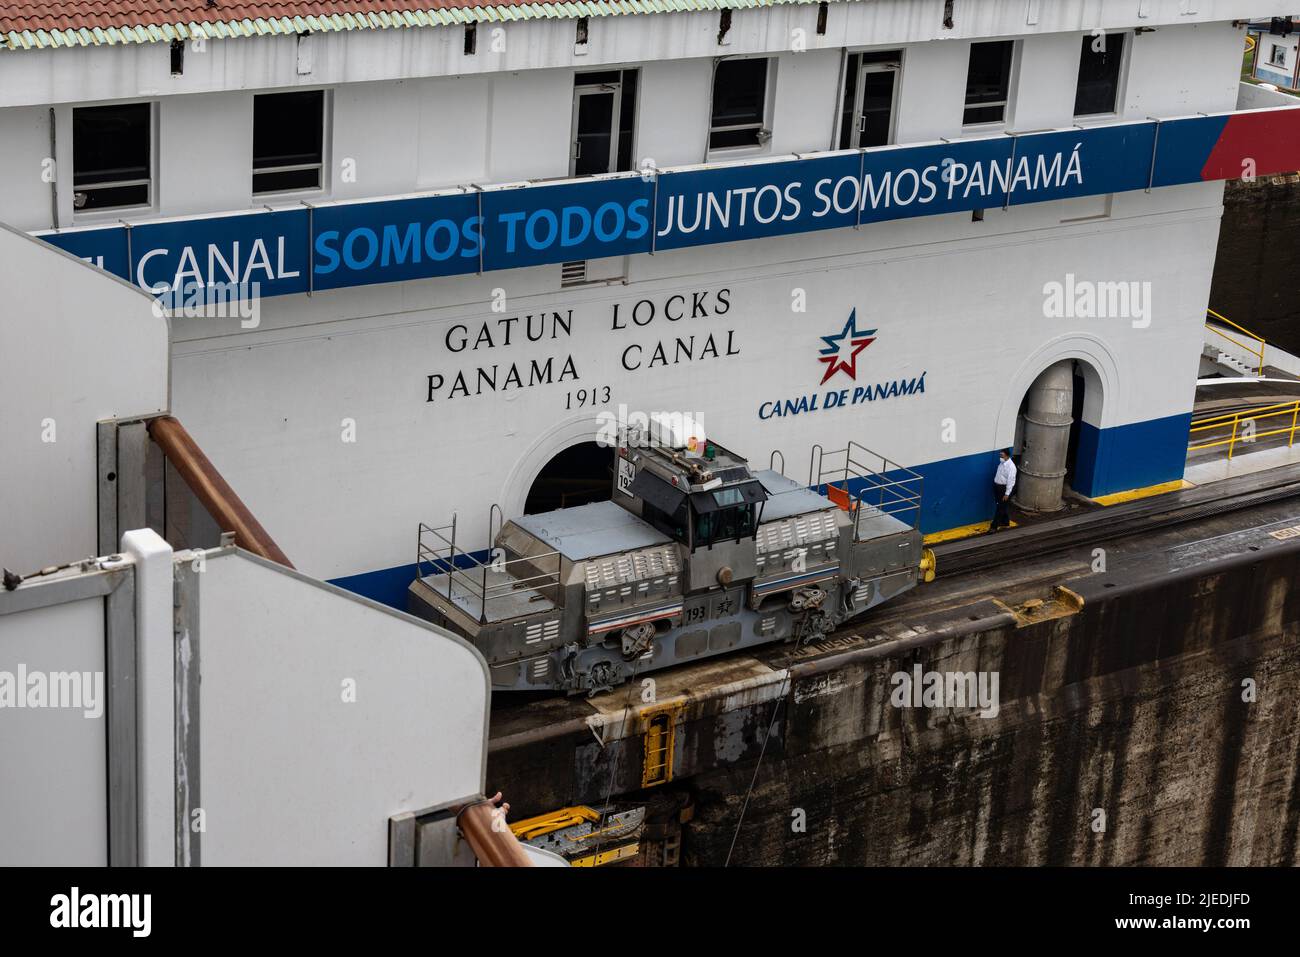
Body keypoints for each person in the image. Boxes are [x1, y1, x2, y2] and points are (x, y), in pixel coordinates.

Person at [990, 449, 1016, 532]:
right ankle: (1005, 522)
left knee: (1000, 508)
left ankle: (993, 527)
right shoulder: (1002, 463)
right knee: (1000, 506)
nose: (1000, 457)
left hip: (1004, 490)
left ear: (1007, 456)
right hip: (997, 487)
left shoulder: (1011, 467)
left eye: (1002, 455)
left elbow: (1011, 481)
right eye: (1000, 455)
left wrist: (1007, 494)